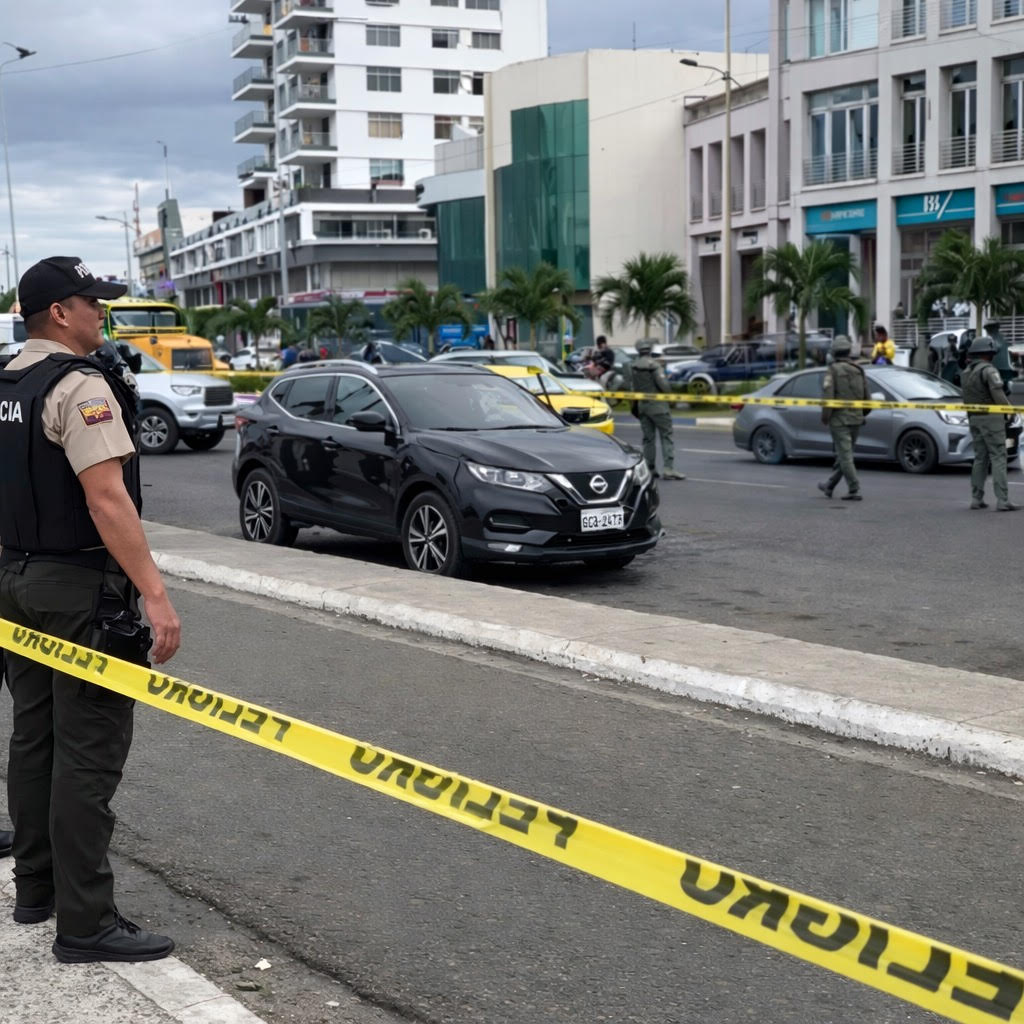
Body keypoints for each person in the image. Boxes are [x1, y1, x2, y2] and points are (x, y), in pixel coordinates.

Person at [0, 256, 180, 962]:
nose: (100, 314)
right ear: (58, 314)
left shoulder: (7, 381)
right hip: (77, 591)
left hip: (15, 579)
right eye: (91, 303)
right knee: (87, 752)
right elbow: (108, 499)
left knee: (35, 738)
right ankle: (85, 921)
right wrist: (156, 597)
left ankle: (36, 891)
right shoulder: (78, 387)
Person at [961, 335, 1020, 511]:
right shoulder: (989, 370)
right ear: (987, 353)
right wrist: (1009, 412)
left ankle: (976, 498)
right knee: (999, 457)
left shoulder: (966, 372)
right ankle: (1003, 500)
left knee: (980, 458)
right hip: (991, 418)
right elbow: (999, 395)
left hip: (974, 418)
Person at [818, 335, 868, 501]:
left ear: (834, 353)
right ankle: (830, 485)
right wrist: (861, 414)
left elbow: (828, 398)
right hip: (856, 419)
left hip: (839, 420)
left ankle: (854, 489)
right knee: (844, 455)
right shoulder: (859, 370)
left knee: (845, 456)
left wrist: (825, 417)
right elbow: (867, 399)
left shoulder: (832, 370)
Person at [631, 337, 685, 480]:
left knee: (648, 439)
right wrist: (671, 396)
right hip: (658, 407)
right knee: (666, 436)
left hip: (643, 407)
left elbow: (632, 389)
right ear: (650, 350)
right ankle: (668, 469)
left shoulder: (633, 366)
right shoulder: (654, 366)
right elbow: (664, 387)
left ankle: (650, 468)